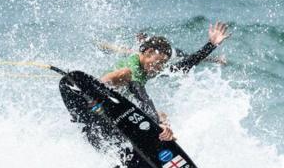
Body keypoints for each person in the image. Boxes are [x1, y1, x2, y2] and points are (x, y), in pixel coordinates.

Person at [99, 22, 231, 141]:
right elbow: (139, 92)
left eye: (163, 64)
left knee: (163, 116)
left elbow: (183, 66)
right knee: (125, 73)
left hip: (117, 104)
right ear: (149, 52)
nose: (160, 67)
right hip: (101, 94)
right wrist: (156, 122)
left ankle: (161, 138)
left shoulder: (150, 67)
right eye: (159, 62)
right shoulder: (134, 63)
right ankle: (93, 90)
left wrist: (210, 45)